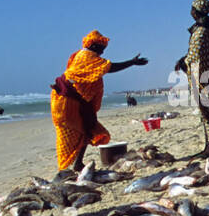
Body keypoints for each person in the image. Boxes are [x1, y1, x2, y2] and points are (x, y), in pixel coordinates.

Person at [52, 31, 146, 173]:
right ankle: (67, 168)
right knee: (75, 133)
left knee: (87, 130)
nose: (103, 51)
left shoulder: (84, 55)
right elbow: (109, 68)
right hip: (66, 102)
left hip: (75, 101)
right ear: (94, 45)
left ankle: (77, 164)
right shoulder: (86, 56)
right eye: (102, 47)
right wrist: (132, 62)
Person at [175, 0, 209, 156]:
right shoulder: (207, 27)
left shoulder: (203, 31)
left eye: (192, 9)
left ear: (196, 11)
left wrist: (185, 63)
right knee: (207, 111)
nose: (191, 12)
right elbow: (194, 53)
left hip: (205, 77)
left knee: (208, 111)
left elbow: (196, 55)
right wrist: (183, 60)